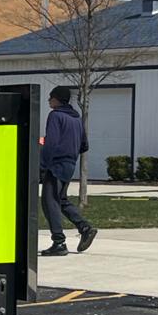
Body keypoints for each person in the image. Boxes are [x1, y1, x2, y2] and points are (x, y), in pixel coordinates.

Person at [39, 87, 97, 256]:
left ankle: (59, 242)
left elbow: (51, 143)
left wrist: (42, 166)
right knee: (60, 200)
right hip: (69, 164)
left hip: (56, 165)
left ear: (57, 99)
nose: (49, 100)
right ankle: (85, 228)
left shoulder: (56, 116)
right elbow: (84, 145)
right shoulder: (77, 118)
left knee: (49, 202)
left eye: (51, 97)